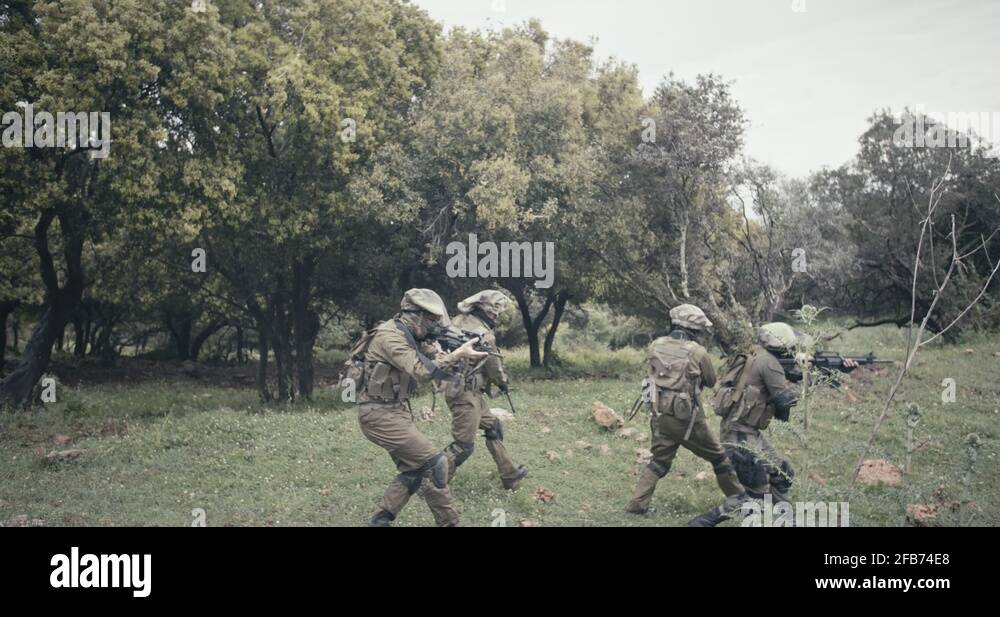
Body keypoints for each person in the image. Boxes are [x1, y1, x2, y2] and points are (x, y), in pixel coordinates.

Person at [356, 289, 487, 527]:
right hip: (378, 414)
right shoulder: (390, 337)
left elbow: (431, 356)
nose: (434, 327)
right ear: (414, 316)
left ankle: (380, 521)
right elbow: (421, 371)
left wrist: (450, 352)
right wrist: (456, 355)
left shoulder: (407, 334)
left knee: (414, 470)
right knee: (435, 463)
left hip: (395, 411)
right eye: (431, 321)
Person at [625, 304, 748, 518]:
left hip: (659, 412)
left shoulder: (656, 345)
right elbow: (710, 381)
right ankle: (739, 501)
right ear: (694, 329)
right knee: (719, 457)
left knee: (659, 460)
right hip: (686, 418)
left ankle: (637, 504)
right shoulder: (697, 351)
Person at [443, 290, 528, 489]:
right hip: (465, 395)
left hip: (466, 392)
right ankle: (432, 482)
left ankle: (510, 475)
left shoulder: (456, 322)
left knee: (493, 427)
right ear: (484, 310)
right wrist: (503, 383)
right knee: (463, 446)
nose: (495, 317)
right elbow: (493, 366)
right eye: (493, 313)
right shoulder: (484, 334)